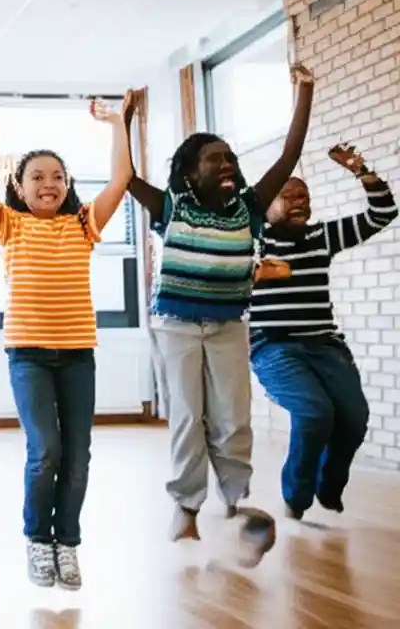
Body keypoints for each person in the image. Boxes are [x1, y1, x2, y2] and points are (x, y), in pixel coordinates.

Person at [126, 62, 314, 553]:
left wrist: (305, 90)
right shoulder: (172, 207)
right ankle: (186, 507)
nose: (227, 163)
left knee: (233, 417)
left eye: (230, 157)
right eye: (215, 159)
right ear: (191, 172)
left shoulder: (249, 208)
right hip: (176, 327)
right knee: (189, 417)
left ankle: (234, 502)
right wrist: (122, 121)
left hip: (229, 326)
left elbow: (290, 153)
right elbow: (125, 177)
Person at [0, 96, 134, 590]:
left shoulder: (83, 224)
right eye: (37, 177)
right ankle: (36, 538)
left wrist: (117, 123)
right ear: (19, 186)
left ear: (68, 185)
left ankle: (66, 542)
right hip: (28, 356)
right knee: (45, 448)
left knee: (78, 455)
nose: (48, 184)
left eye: (57, 177)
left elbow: (121, 180)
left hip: (77, 356)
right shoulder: (10, 224)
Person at [250, 142, 396, 519]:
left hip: (325, 345)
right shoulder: (254, 241)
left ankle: (329, 487)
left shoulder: (323, 237)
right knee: (316, 413)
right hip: (273, 347)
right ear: (267, 204)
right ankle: (296, 498)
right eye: (289, 196)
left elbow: (384, 212)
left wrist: (361, 170)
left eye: (305, 197)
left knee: (354, 416)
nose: (299, 202)